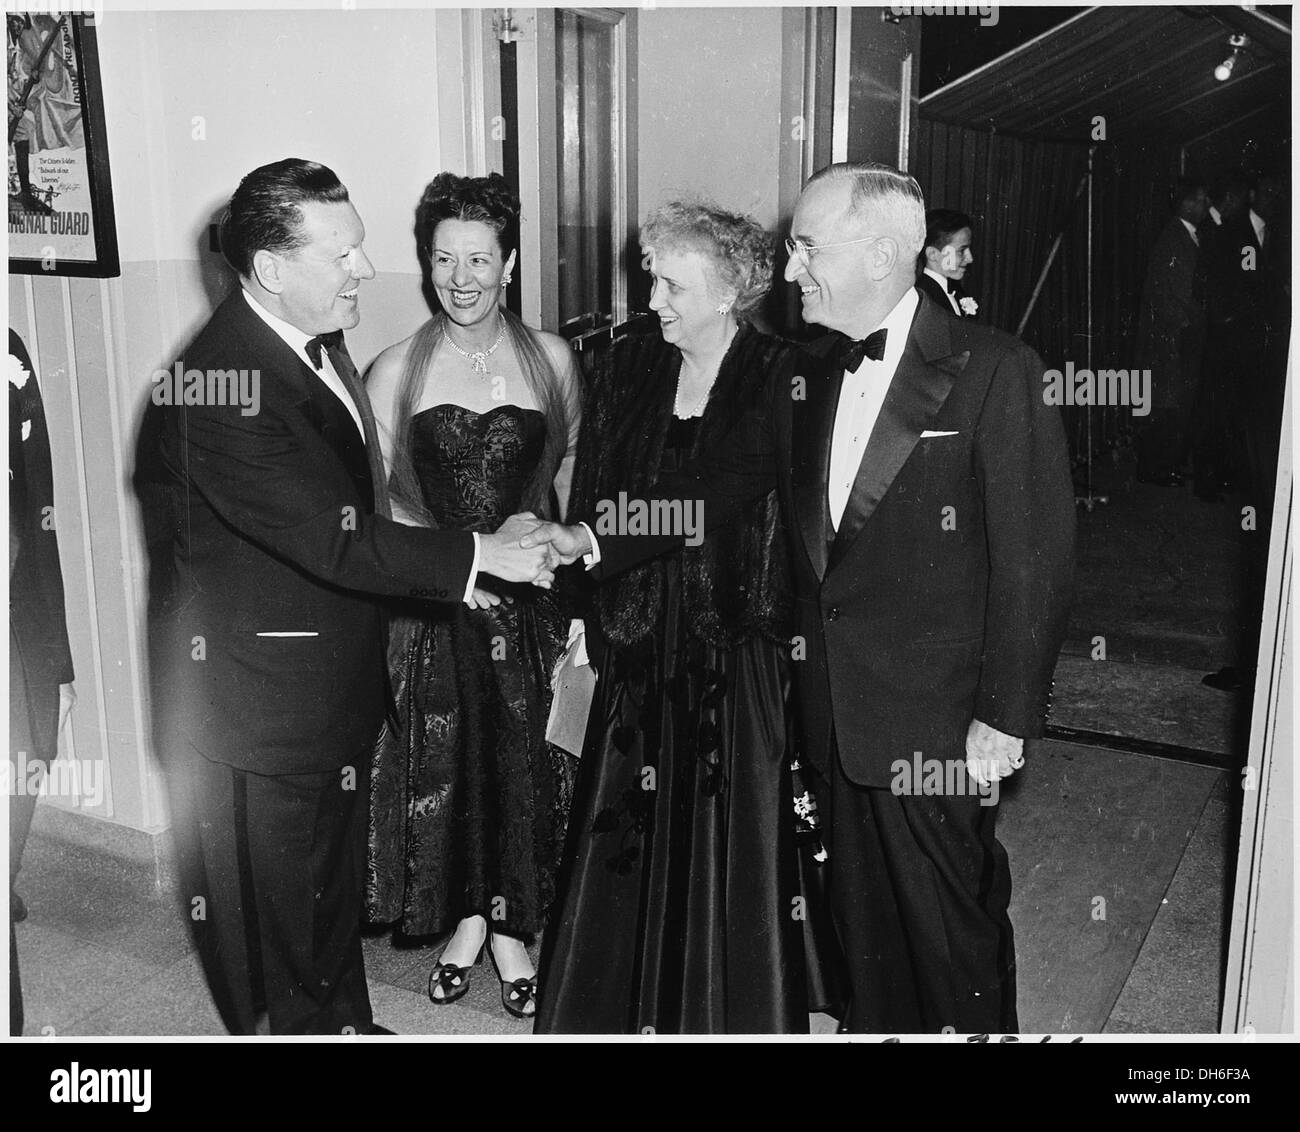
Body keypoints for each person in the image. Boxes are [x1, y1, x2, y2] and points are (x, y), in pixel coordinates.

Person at [528, 162, 1075, 1034]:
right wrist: (593, 540)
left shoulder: (995, 370)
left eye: (809, 248)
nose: (789, 272)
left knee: (949, 926)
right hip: (825, 711)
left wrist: (1004, 719)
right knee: (863, 932)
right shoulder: (810, 370)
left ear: (887, 253)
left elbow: (1034, 561)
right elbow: (722, 487)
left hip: (933, 721)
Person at [134, 158, 555, 1036]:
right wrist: (482, 555)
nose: (367, 269)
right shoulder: (222, 386)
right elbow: (336, 534)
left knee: (322, 898)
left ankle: (345, 1026)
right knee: (274, 929)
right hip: (255, 707)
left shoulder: (308, 341)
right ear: (273, 270)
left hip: (318, 688)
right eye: (345, 255)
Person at [535, 200, 842, 1034]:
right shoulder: (631, 365)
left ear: (730, 289)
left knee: (730, 823)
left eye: (672, 282)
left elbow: (714, 498)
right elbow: (595, 476)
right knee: (625, 818)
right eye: (652, 277)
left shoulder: (783, 371)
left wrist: (589, 541)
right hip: (636, 623)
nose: (653, 298)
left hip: (735, 631)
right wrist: (577, 607)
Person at [365, 172, 581, 1021]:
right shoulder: (395, 369)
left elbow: (568, 476)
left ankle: (512, 932)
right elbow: (378, 504)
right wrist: (465, 565)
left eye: (480, 259)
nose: (461, 279)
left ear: (511, 262)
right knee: (449, 768)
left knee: (519, 766)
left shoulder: (555, 359)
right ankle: (464, 921)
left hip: (532, 600)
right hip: (439, 601)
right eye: (444, 258)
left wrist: (546, 568)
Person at [9, 329, 76, 1035]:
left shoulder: (9, 350)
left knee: (29, 765)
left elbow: (38, 512)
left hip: (15, 628)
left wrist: (56, 664)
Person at [1134, 177, 1207, 486]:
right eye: (1202, 200)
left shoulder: (1186, 236)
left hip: (1175, 335)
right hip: (1168, 338)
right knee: (1163, 405)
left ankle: (1166, 464)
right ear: (1187, 203)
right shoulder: (1173, 239)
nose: (1206, 206)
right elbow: (1170, 294)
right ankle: (1155, 469)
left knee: (1171, 404)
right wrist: (1192, 321)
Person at [916, 208, 977, 318]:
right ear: (932, 254)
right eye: (961, 250)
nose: (970, 258)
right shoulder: (922, 298)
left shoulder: (957, 290)